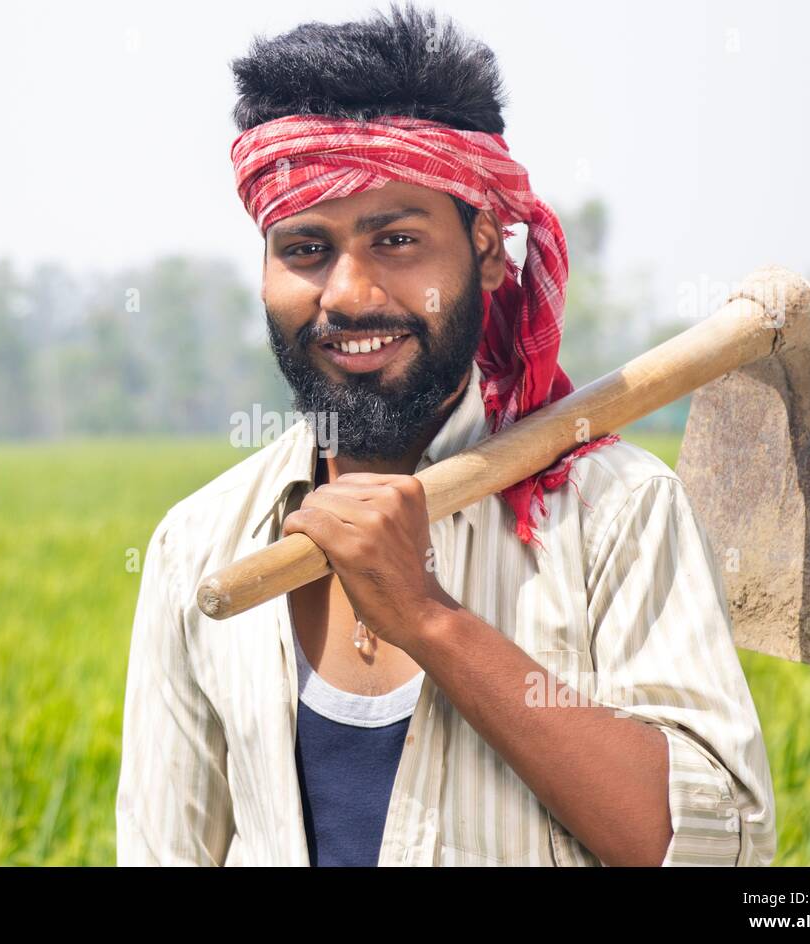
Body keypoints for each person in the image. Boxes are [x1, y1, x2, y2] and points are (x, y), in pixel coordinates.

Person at [115, 1, 775, 867]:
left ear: (490, 249)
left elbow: (718, 849)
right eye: (305, 249)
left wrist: (431, 619)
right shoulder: (198, 547)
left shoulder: (617, 516)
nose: (348, 294)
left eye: (396, 239)